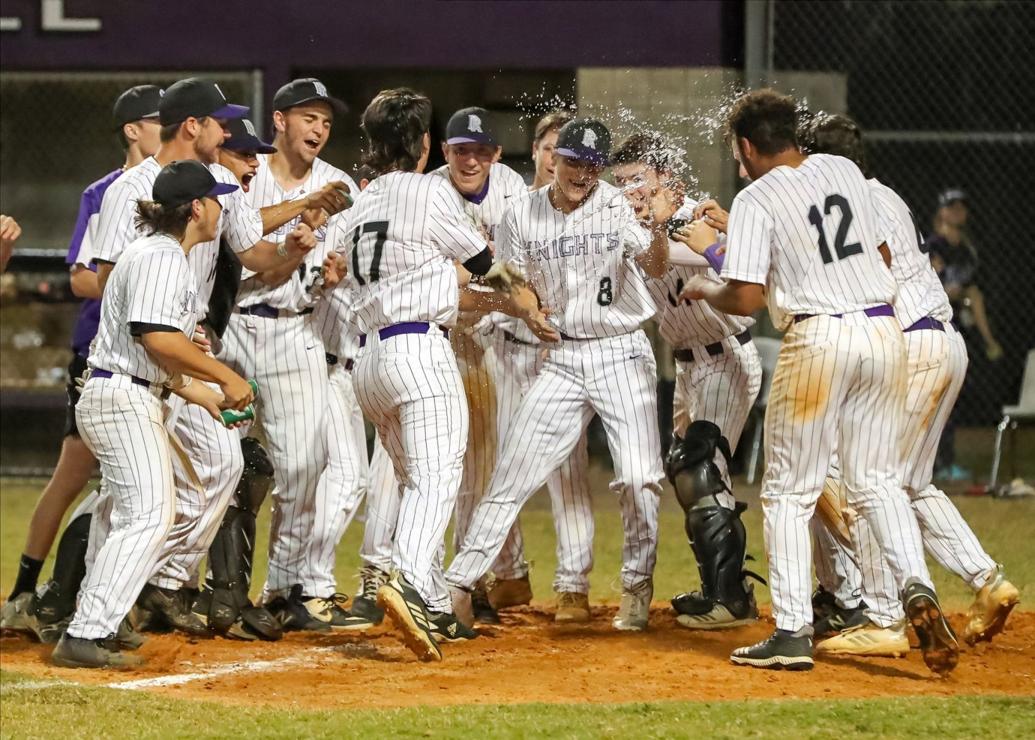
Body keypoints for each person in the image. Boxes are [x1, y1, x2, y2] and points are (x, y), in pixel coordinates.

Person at [679, 89, 958, 674]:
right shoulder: (844, 169)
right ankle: (917, 590)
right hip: (884, 331)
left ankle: (790, 632)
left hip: (820, 339)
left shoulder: (756, 196)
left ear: (750, 146)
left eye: (738, 151)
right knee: (877, 479)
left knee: (788, 490)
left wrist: (705, 287)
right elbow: (874, 250)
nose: (738, 163)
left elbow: (747, 297)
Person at [88, 77, 344, 635]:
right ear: (192, 126)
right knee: (123, 498)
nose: (227, 132)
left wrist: (292, 248)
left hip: (186, 352)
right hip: (140, 355)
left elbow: (252, 254)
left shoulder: (223, 181)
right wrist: (162, 326)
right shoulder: (127, 189)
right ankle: (90, 606)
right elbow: (108, 278)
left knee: (224, 465)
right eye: (218, 122)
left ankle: (164, 584)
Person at [799, 113, 1019, 656]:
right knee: (912, 486)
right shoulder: (884, 194)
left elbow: (875, 265)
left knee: (871, 483)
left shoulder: (854, 202)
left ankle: (883, 616)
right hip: (941, 342)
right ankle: (987, 580)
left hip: (914, 345)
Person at [344, 88, 551, 661]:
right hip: (418, 350)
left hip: (369, 362)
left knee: (416, 482)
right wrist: (528, 301)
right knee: (438, 481)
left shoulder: (362, 202)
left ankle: (432, 601)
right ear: (425, 144)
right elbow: (489, 266)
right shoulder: (427, 191)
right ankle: (408, 581)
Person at [446, 118, 672, 633]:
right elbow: (508, 276)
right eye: (574, 161)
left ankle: (637, 586)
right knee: (513, 473)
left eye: (593, 165)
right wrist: (524, 308)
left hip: (621, 352)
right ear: (555, 160)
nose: (583, 173)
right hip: (563, 358)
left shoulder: (615, 203)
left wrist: (658, 227)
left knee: (639, 479)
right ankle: (458, 583)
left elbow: (656, 267)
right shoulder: (521, 212)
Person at [51, 160, 254, 668]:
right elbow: (158, 339)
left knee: (124, 515)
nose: (220, 208)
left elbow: (155, 354)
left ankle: (101, 620)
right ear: (195, 209)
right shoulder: (161, 256)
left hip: (128, 391)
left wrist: (201, 394)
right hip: (123, 398)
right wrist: (222, 377)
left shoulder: (159, 254)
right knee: (150, 514)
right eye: (214, 199)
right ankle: (86, 631)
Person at [0, 85, 163, 637]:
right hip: (104, 350)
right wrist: (136, 279)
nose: (168, 127)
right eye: (155, 120)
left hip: (158, 356)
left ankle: (106, 596)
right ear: (131, 130)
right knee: (76, 473)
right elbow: (80, 277)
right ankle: (29, 592)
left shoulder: (183, 187)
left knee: (134, 485)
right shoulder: (105, 192)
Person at [217, 78, 357, 630]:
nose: (319, 129)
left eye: (326, 120)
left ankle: (283, 587)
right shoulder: (245, 172)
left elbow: (341, 253)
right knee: (219, 467)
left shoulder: (340, 184)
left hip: (295, 329)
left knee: (303, 465)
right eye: (308, 117)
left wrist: (333, 273)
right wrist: (303, 209)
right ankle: (201, 588)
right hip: (229, 331)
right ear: (280, 120)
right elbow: (241, 247)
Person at [611, 132, 764, 630]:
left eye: (638, 181)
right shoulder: (631, 229)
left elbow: (710, 256)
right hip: (686, 367)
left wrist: (664, 223)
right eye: (620, 183)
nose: (628, 192)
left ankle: (732, 603)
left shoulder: (697, 214)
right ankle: (720, 589)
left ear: (666, 180)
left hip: (725, 358)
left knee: (701, 471)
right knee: (687, 475)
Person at [926, 189, 1002, 481]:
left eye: (962, 208)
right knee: (938, 399)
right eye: (952, 207)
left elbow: (971, 289)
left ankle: (945, 462)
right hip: (935, 328)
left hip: (962, 330)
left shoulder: (968, 248)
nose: (958, 212)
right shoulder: (933, 246)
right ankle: (935, 463)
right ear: (942, 212)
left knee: (953, 401)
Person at [530, 109, 574, 190]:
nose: (555, 160)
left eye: (565, 153)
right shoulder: (510, 200)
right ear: (535, 149)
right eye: (548, 149)